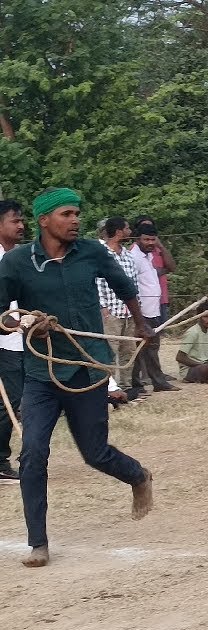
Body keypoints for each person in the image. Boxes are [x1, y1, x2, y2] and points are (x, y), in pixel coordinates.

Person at [0, 188, 156, 567]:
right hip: (42, 373)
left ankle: (138, 476)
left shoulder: (91, 252)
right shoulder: (18, 262)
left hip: (89, 369)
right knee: (32, 454)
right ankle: (38, 543)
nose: (75, 220)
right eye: (67, 214)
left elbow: (125, 288)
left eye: (77, 213)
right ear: (44, 220)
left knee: (95, 454)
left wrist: (141, 324)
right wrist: (23, 323)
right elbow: (2, 314)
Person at [126, 224, 177, 392]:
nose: (150, 243)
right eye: (146, 239)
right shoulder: (133, 257)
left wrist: (160, 246)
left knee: (152, 348)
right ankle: (136, 385)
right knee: (137, 349)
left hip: (153, 309)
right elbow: (131, 285)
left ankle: (158, 383)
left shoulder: (148, 256)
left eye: (153, 240)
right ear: (137, 239)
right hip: (141, 312)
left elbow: (170, 268)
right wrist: (137, 313)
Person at [96, 217, 140, 388]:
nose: (130, 232)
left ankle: (127, 387)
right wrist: (103, 307)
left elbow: (133, 284)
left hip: (128, 312)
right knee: (110, 351)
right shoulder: (102, 254)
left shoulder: (128, 255)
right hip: (111, 311)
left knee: (128, 351)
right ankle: (110, 388)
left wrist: (137, 309)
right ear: (119, 232)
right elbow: (98, 283)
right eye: (127, 228)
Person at [0, 200, 26, 481]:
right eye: (14, 220)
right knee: (9, 400)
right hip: (4, 342)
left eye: (21, 220)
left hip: (20, 340)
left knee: (18, 398)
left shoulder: (19, 257)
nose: (21, 225)